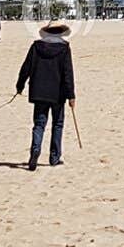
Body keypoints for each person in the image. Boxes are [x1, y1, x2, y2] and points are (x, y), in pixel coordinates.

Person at [16, 21, 75, 170]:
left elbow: (26, 67)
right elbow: (68, 73)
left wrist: (20, 85)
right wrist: (71, 95)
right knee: (57, 124)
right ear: (60, 32)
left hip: (39, 92)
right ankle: (54, 157)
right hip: (58, 93)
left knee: (39, 124)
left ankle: (35, 150)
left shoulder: (36, 46)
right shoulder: (64, 48)